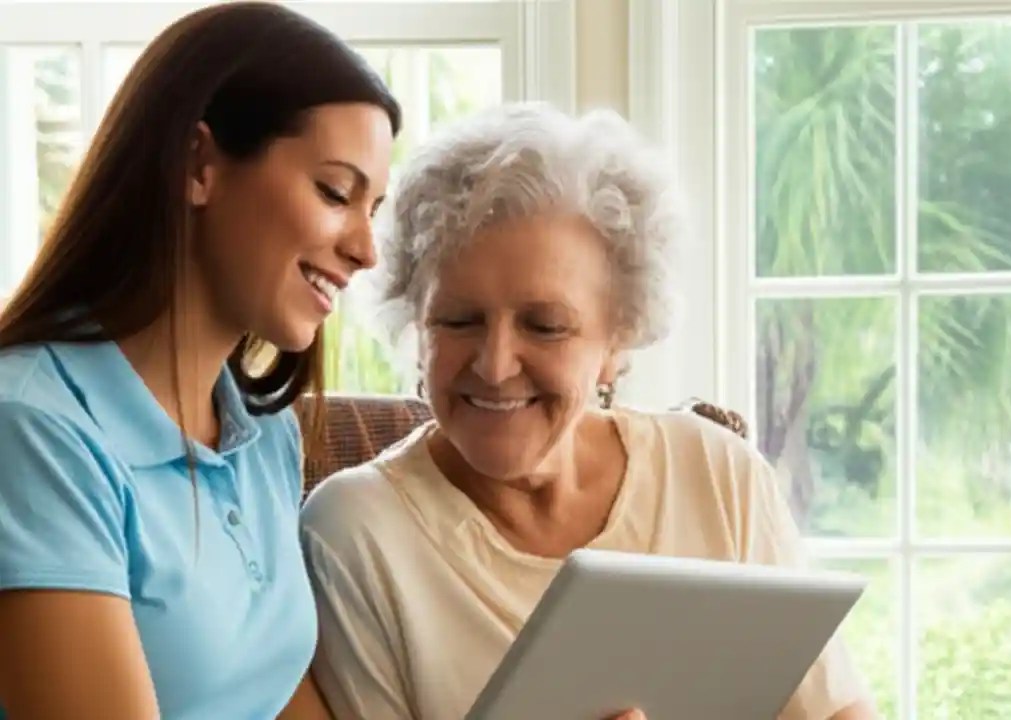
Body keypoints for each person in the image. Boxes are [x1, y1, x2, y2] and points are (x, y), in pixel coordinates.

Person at [300, 103, 879, 719]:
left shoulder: (716, 473)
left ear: (617, 342)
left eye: (545, 326)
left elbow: (838, 711)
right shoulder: (357, 530)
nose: (494, 365)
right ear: (417, 326)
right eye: (458, 321)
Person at [0, 3, 399, 718]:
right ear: (200, 165)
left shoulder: (261, 434)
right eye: (337, 193)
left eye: (375, 209)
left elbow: (279, 699)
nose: (366, 249)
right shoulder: (32, 430)